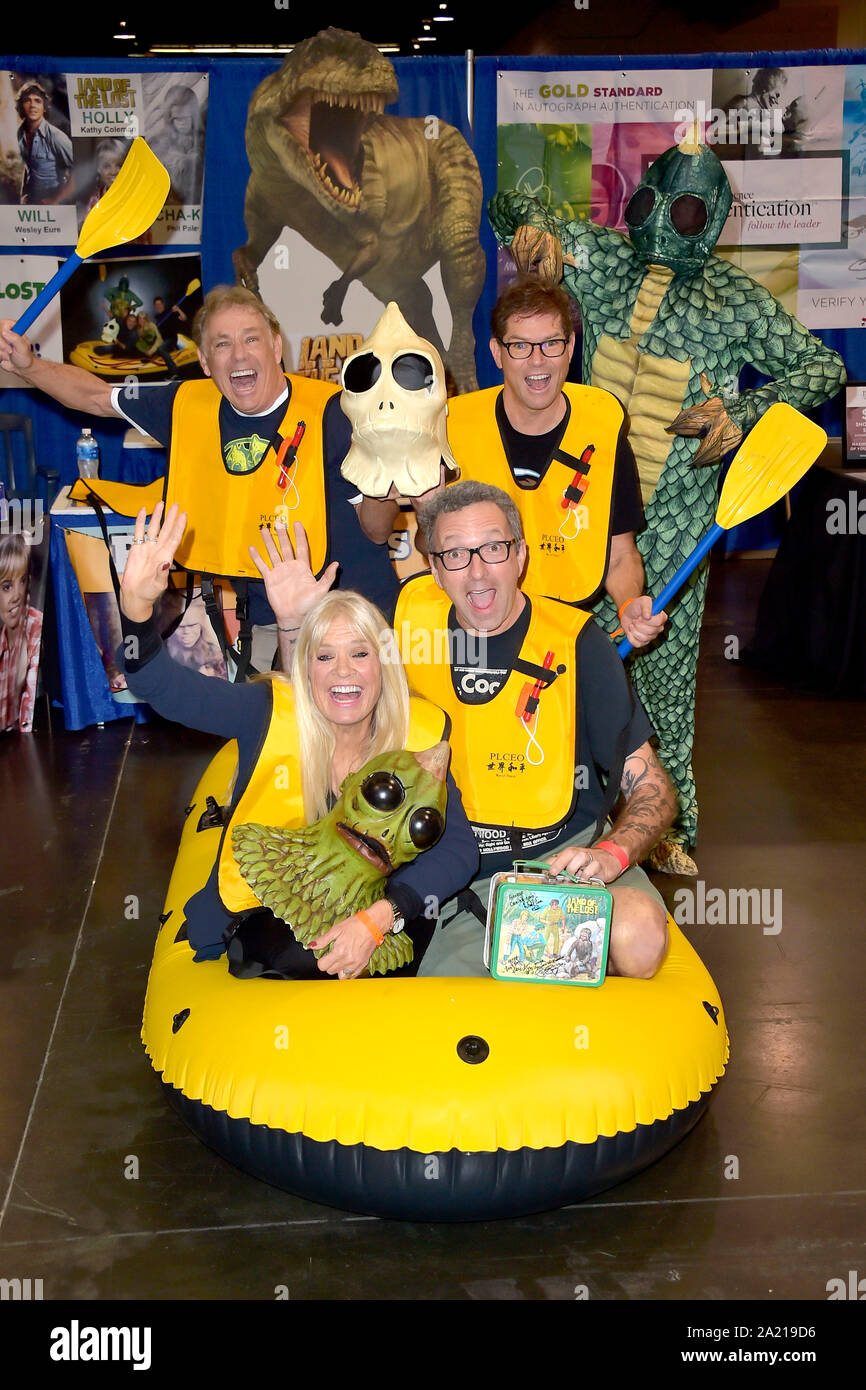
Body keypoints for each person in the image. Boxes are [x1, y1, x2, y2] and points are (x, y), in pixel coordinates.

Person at [118, 501, 478, 977]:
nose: (344, 671)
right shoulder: (265, 712)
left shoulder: (420, 735)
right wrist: (137, 609)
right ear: (305, 670)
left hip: (373, 910)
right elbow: (159, 686)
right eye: (325, 656)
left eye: (359, 653)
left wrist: (377, 921)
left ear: (384, 667)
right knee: (294, 961)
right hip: (266, 910)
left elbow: (459, 849)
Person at [394, 480, 676, 980]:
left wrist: (613, 853)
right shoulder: (410, 634)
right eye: (456, 554)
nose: (478, 571)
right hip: (464, 874)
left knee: (641, 938)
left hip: (567, 863)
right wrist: (291, 621)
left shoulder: (578, 644)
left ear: (520, 555)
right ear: (434, 569)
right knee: (445, 1023)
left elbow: (652, 787)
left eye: (494, 549)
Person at [0, 285, 402, 623]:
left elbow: (378, 531)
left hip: (353, 613)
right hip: (266, 622)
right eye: (222, 345)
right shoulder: (186, 404)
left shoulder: (336, 412)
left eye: (251, 338)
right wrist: (29, 365)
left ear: (277, 346)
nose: (239, 355)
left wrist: (382, 482)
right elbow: (95, 398)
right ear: (206, 363)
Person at [443, 279, 666, 654]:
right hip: (473, 630)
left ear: (570, 348)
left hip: (565, 628)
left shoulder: (603, 432)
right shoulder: (454, 431)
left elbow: (621, 554)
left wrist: (630, 605)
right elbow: (429, 548)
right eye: (520, 346)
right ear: (497, 352)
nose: (537, 360)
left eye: (550, 343)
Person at [0, 533, 43, 733]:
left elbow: (26, 720)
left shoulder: (35, 624)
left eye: (23, 581)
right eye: (7, 586)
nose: (17, 595)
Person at [16, 82, 73, 204]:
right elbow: (28, 167)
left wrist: (56, 200)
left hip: (53, 200)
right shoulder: (20, 133)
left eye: (38, 101)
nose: (32, 106)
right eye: (27, 100)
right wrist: (23, 196)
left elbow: (78, 171)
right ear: (21, 105)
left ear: (44, 107)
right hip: (32, 200)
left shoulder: (55, 136)